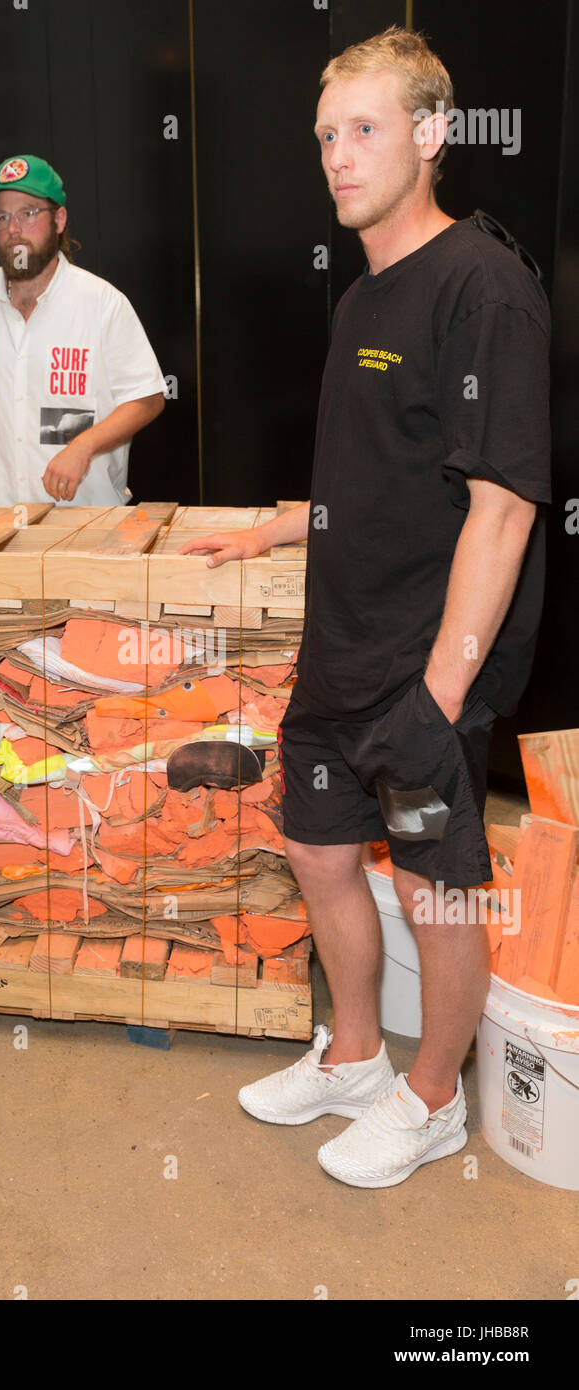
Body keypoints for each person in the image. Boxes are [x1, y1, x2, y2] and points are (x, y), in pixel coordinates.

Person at [180, 27, 550, 1188]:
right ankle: (351, 1053)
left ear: (433, 135)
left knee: (439, 886)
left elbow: (503, 510)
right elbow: (370, 474)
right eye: (328, 136)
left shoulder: (485, 289)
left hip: (427, 659)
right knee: (320, 848)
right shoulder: (364, 297)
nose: (339, 157)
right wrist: (278, 525)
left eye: (367, 130)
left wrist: (441, 694)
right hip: (343, 645)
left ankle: (433, 1096)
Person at [0, 154, 166, 509]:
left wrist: (83, 446)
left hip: (85, 518)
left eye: (28, 213)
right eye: (2, 217)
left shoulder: (101, 303)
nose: (14, 229)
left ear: (59, 219)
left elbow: (147, 399)